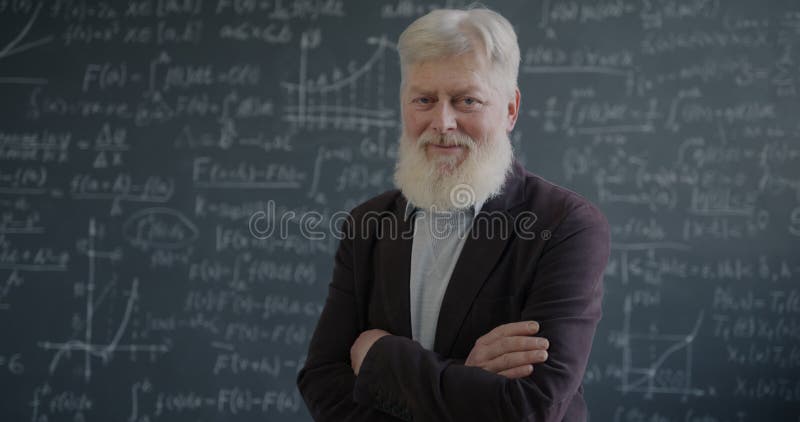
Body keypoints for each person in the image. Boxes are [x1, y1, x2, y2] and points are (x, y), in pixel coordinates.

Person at [296, 6, 610, 422]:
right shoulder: (366, 224)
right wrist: (465, 378)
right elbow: (321, 382)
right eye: (424, 100)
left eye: (467, 101)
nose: (442, 122)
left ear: (511, 109)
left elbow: (531, 408)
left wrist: (379, 356)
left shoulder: (567, 226)